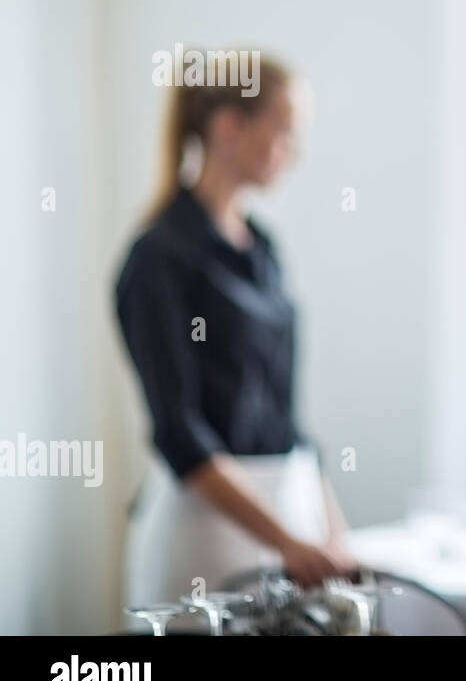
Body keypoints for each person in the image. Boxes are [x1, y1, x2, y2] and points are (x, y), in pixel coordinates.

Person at [116, 52, 359, 607]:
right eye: (286, 134)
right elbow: (178, 432)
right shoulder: (158, 260)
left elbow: (287, 418)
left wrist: (332, 535)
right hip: (205, 538)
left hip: (290, 525)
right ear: (229, 127)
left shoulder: (264, 251)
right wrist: (290, 543)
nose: (294, 155)